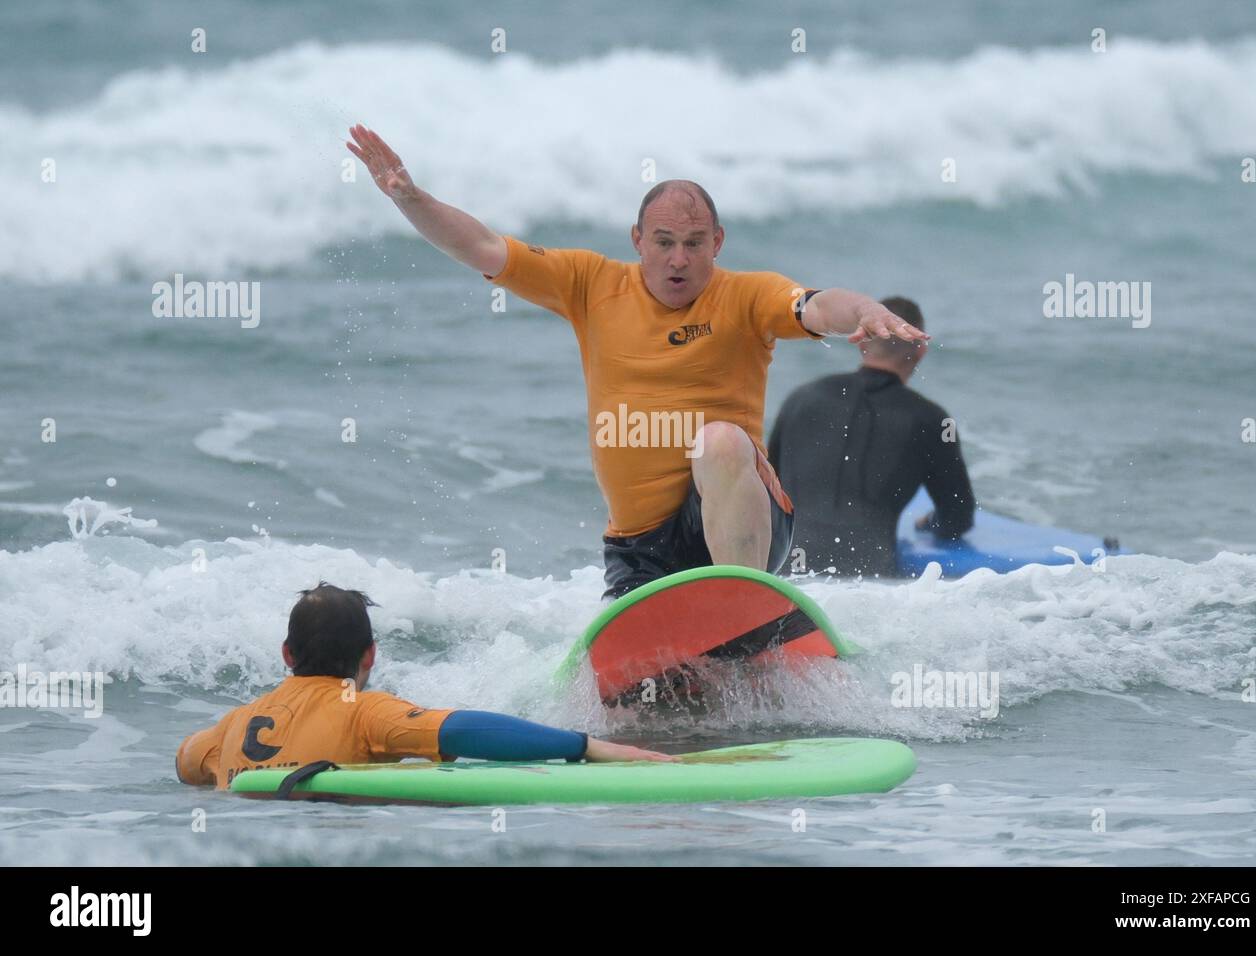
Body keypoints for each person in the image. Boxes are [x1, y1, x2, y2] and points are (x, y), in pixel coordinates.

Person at [345, 125, 928, 600]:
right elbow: (480, 247)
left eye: (695, 243)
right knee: (639, 712)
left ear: (718, 243)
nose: (679, 259)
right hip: (639, 547)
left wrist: (866, 309)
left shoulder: (747, 295)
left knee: (721, 442)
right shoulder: (589, 284)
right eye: (664, 241)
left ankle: (746, 608)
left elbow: (819, 305)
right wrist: (410, 198)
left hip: (741, 527)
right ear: (637, 239)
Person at [176, 583, 675, 790]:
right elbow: (464, 730)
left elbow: (185, 763)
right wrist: (586, 746)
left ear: (286, 654)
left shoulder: (231, 726)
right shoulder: (362, 710)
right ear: (370, 656)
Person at [768, 297, 974, 577]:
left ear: (860, 340)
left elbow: (768, 490)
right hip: (869, 579)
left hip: (786, 569)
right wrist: (928, 524)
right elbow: (957, 517)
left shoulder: (802, 398)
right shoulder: (931, 419)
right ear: (921, 351)